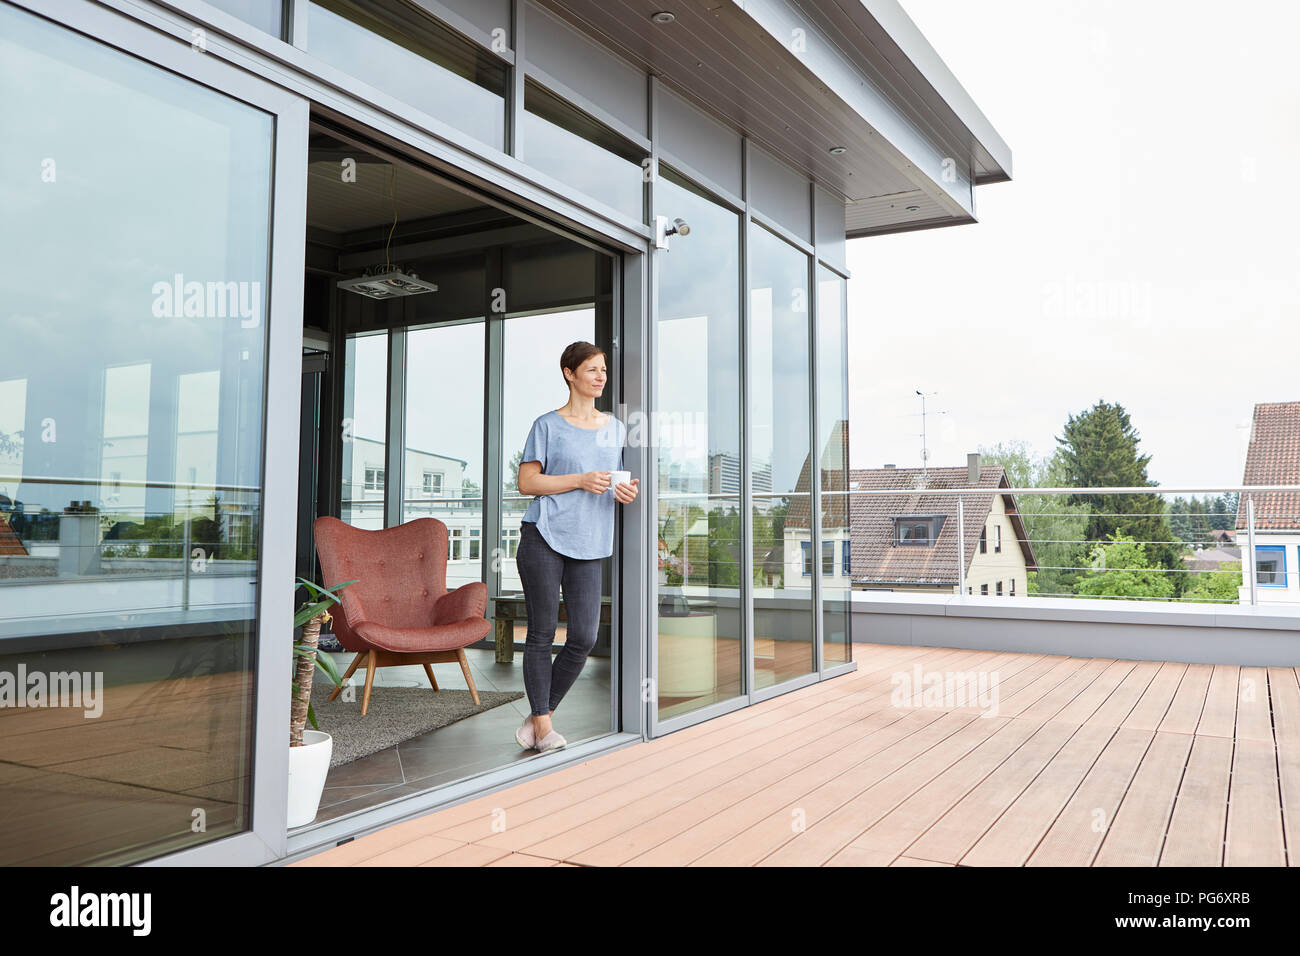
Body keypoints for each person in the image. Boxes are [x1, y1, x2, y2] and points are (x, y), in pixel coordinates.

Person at [514, 341, 638, 753]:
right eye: (591, 369)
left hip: (590, 540)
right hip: (545, 535)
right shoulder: (547, 425)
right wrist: (581, 479)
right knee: (542, 632)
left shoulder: (616, 427)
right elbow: (527, 483)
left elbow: (608, 479)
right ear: (570, 374)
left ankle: (537, 715)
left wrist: (622, 491)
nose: (601, 376)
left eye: (603, 369)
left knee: (583, 636)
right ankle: (546, 728)